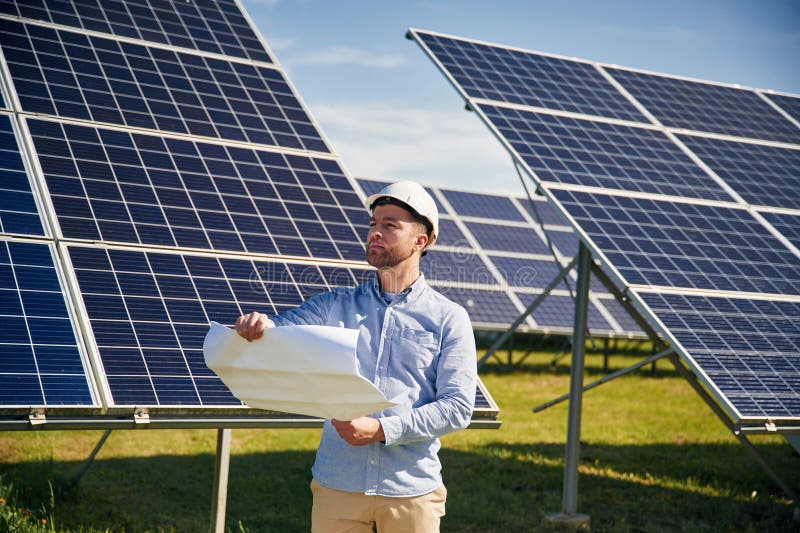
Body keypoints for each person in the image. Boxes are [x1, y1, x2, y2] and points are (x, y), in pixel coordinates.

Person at [235, 180, 477, 532]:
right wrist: (258, 327)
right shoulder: (333, 304)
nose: (375, 233)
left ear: (419, 241)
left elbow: (457, 407)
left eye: (390, 225)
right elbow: (279, 335)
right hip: (338, 486)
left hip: (410, 491)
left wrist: (382, 429)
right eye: (373, 224)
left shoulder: (448, 318)